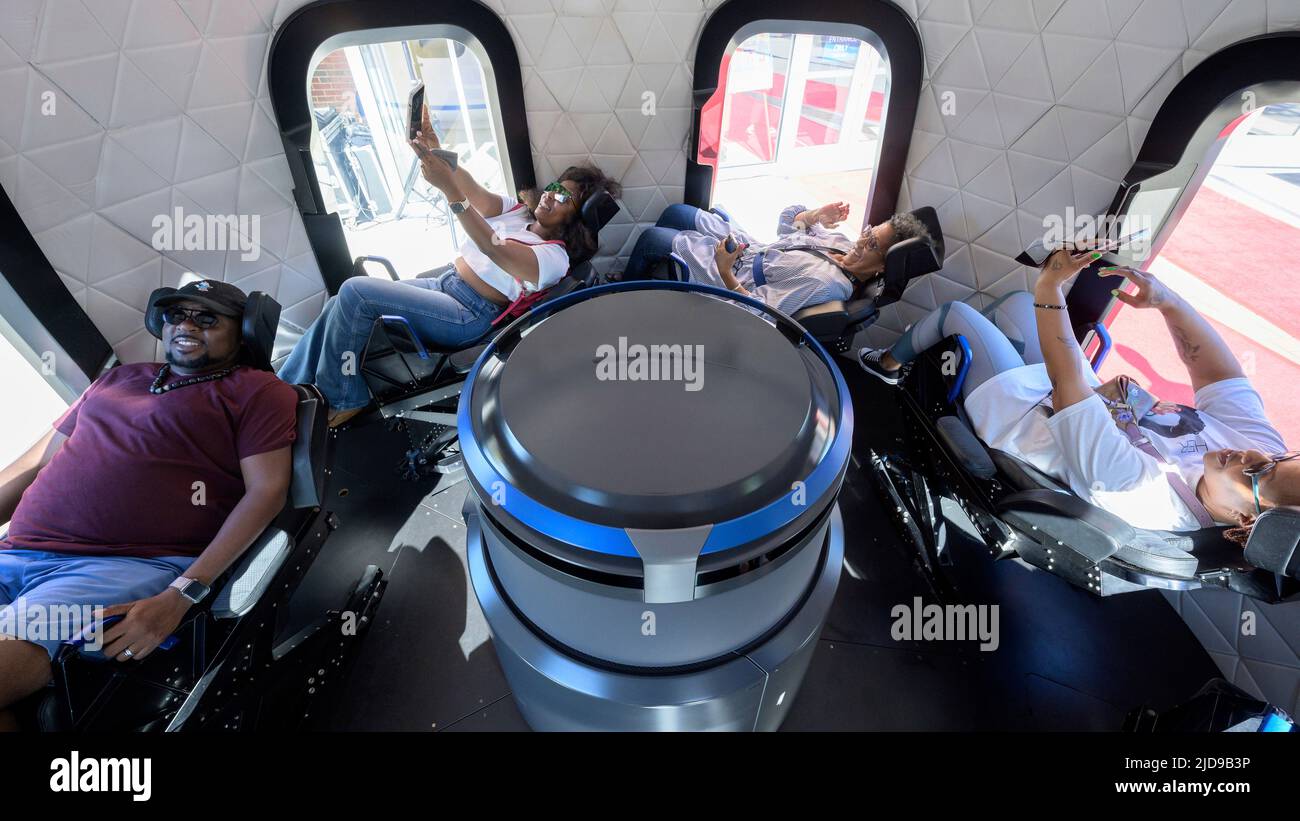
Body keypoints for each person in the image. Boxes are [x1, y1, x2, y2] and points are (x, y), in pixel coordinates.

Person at [0, 280, 298, 730]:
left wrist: (185, 592)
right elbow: (32, 465)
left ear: (244, 331)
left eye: (207, 317)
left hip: (118, 566)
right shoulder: (117, 378)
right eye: (176, 314)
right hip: (16, 552)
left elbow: (266, 491)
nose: (186, 325)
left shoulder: (257, 390)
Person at [857, 250, 1297, 540]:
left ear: (1247, 520)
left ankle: (885, 369)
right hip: (1077, 398)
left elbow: (1069, 389)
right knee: (1013, 301)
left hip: (1024, 416)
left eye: (1256, 473)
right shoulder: (1264, 454)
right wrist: (1170, 302)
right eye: (1274, 457)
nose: (1247, 455)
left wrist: (1049, 290)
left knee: (957, 314)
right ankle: (971, 360)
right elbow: (1221, 376)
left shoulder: (1142, 492)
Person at [278, 103, 621, 427]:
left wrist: (448, 193)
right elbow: (472, 190)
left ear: (576, 218)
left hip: (469, 314)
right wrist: (434, 148)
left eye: (566, 196)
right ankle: (280, 392)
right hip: (446, 283)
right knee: (340, 301)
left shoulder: (554, 257)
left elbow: (494, 248)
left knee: (356, 292)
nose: (551, 193)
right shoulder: (520, 213)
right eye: (557, 185)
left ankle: (342, 397)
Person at [622, 201, 931, 316]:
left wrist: (726, 272)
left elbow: (759, 312)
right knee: (676, 211)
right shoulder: (840, 243)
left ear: (882, 267)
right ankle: (645, 281)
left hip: (735, 276)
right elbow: (786, 225)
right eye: (869, 230)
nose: (861, 239)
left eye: (872, 242)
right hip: (752, 248)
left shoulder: (825, 284)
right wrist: (814, 215)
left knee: (651, 239)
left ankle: (620, 302)